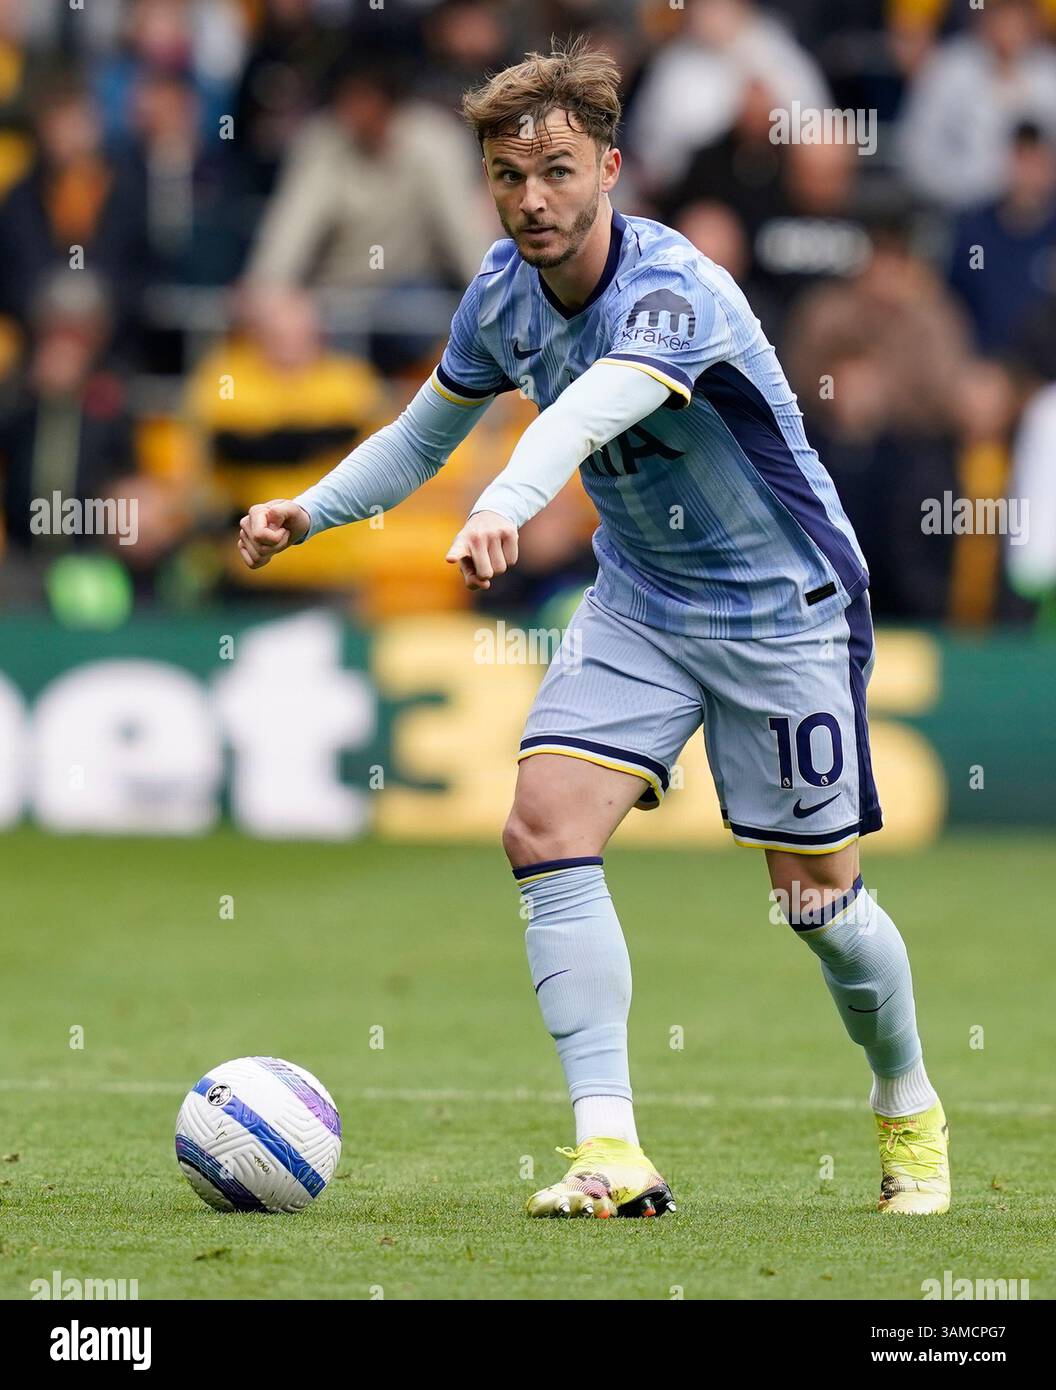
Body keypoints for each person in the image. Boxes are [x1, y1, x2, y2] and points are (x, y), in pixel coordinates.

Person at [237, 39, 951, 1220]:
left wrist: (509, 504)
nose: (531, 199)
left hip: (781, 607)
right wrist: (308, 509)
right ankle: (609, 1147)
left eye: (557, 171)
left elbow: (590, 407)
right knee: (542, 826)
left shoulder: (675, 289)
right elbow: (420, 439)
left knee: (817, 904)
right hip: (643, 599)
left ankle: (907, 1100)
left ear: (611, 168)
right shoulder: (498, 294)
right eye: (508, 176)